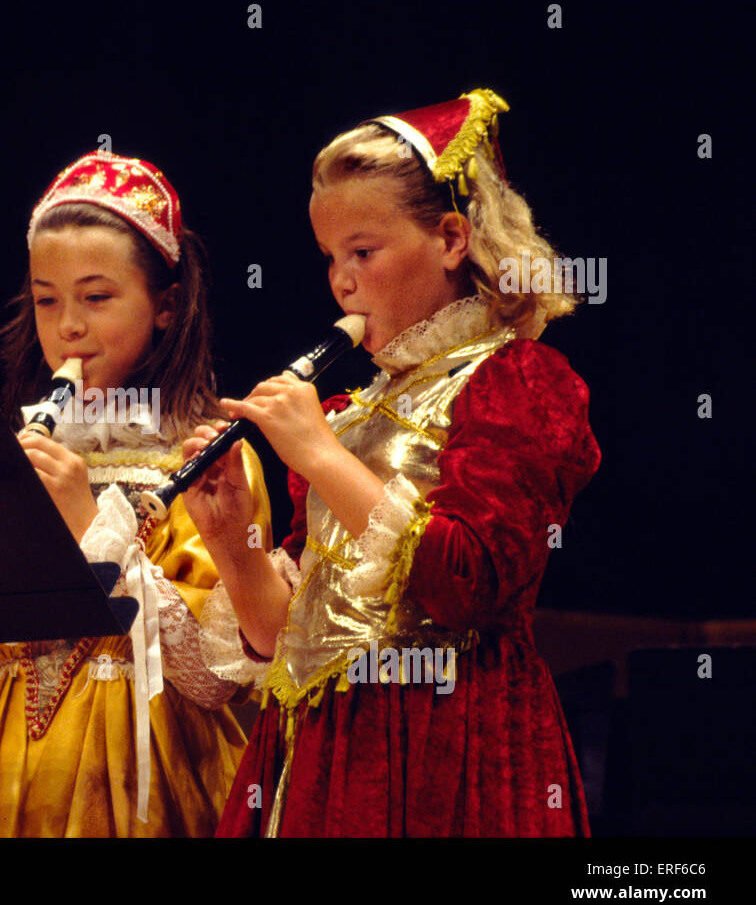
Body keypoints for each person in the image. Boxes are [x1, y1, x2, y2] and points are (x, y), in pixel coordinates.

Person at [184, 89, 599, 836]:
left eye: (363, 252)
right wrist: (233, 540)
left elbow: (466, 586)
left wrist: (314, 450)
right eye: (331, 259)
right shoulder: (350, 416)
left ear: (449, 239)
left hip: (443, 739)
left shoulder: (516, 381)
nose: (341, 281)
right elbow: (295, 637)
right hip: (321, 754)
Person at [0, 151, 272, 836]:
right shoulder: (4, 453)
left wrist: (86, 519)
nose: (67, 325)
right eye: (47, 299)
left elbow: (214, 679)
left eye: (96, 298)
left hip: (146, 785)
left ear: (166, 305)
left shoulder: (209, 457)